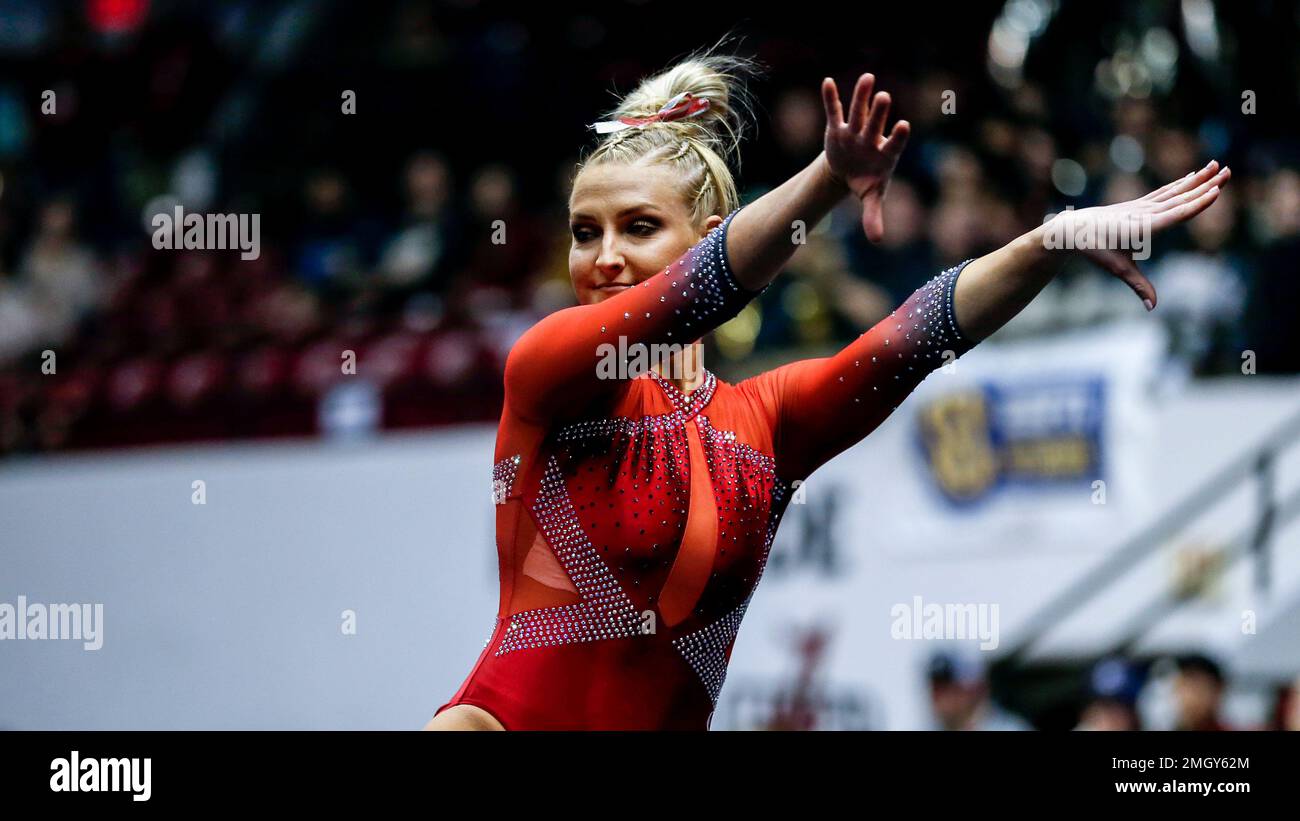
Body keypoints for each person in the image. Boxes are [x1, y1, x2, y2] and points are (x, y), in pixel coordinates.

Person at [425, 48, 1231, 730]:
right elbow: (702, 292)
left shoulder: (762, 428)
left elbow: (915, 336)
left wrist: (1047, 241)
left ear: (705, 232)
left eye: (638, 227)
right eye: (583, 231)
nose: (601, 256)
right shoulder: (549, 374)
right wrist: (827, 178)